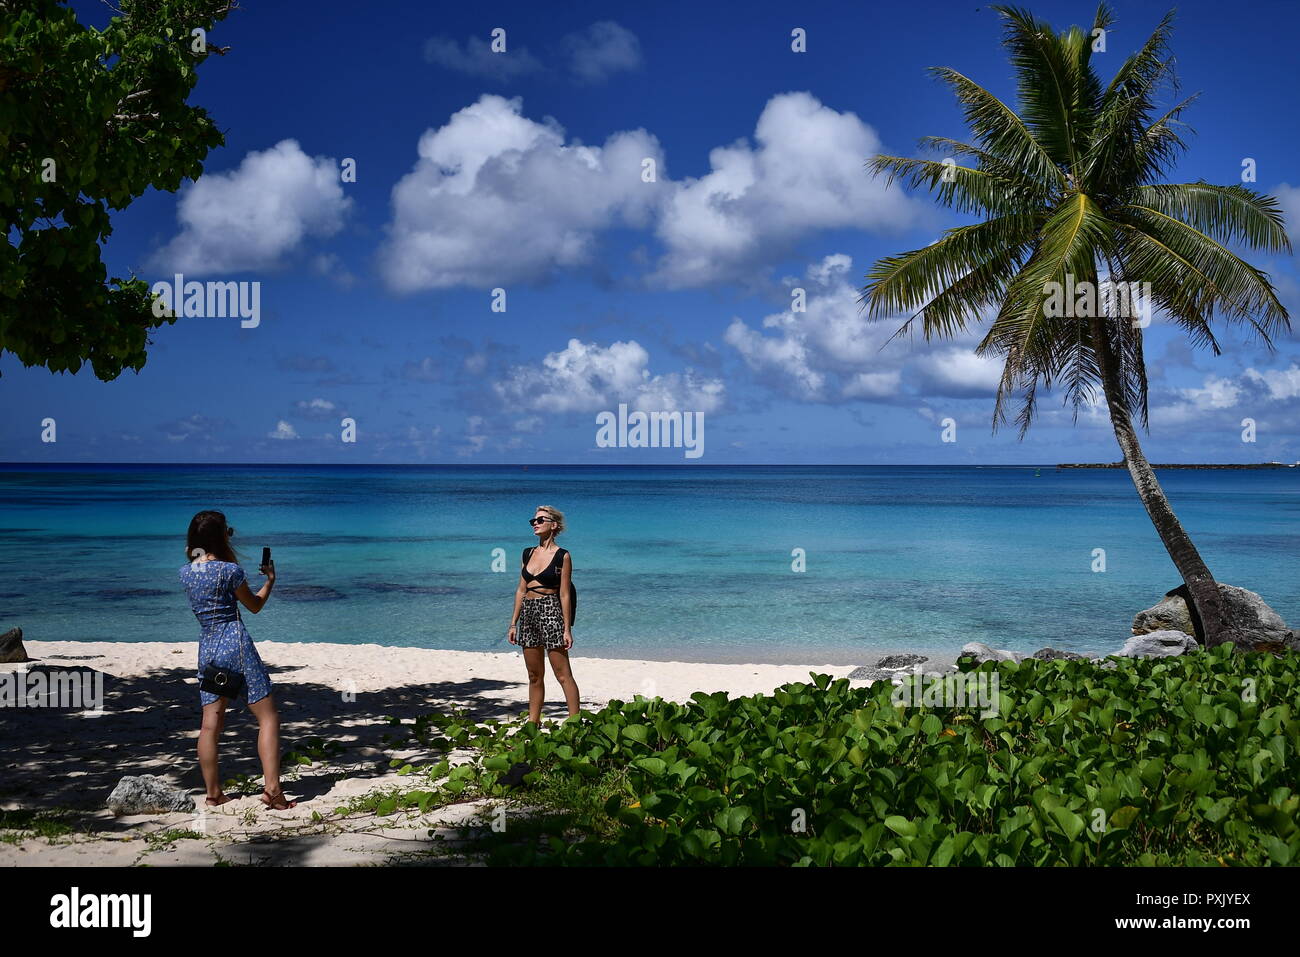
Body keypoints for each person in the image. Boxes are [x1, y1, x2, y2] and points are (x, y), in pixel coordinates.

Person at [178, 510, 296, 810]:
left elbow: (194, 556)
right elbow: (254, 606)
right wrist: (270, 580)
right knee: (268, 717)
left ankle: (213, 793)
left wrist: (198, 546)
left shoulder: (186, 573)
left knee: (209, 725)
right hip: (236, 645)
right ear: (222, 537)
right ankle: (272, 791)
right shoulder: (231, 572)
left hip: (208, 648)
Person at [507, 505, 580, 724]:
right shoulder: (527, 553)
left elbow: (565, 594)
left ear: (554, 525)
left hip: (551, 611)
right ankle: (533, 723)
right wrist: (513, 624)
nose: (535, 523)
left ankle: (575, 723)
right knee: (534, 675)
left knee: (562, 673)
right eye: (533, 521)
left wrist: (567, 629)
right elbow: (521, 589)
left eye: (540, 520)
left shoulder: (562, 556)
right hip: (528, 613)